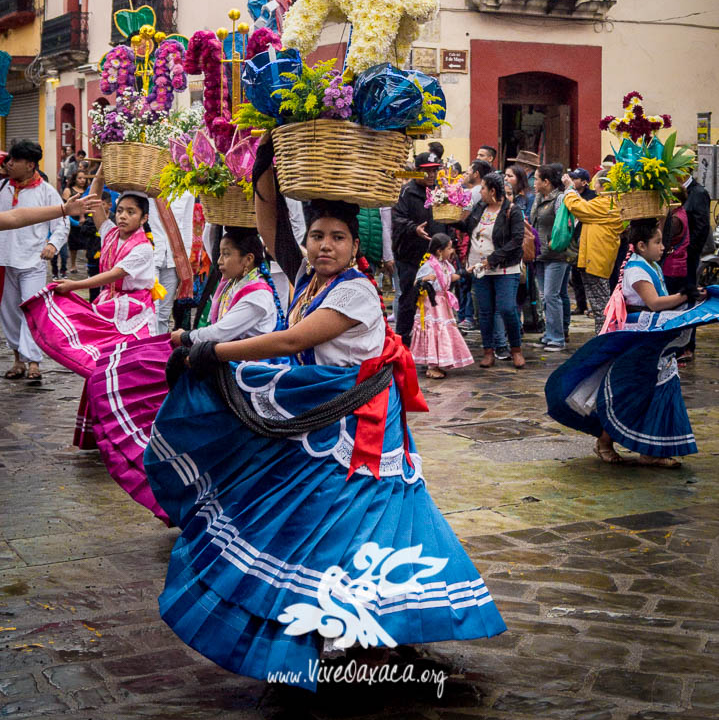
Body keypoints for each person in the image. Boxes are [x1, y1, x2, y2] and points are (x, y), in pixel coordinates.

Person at [142, 148, 506, 689]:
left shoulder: (355, 292)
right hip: (322, 422)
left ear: (356, 247)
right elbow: (270, 231)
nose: (325, 245)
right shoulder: (309, 282)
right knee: (328, 523)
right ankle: (349, 627)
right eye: (318, 237)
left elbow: (291, 340)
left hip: (364, 429)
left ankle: (373, 631)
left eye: (337, 237)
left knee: (362, 524)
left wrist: (213, 354)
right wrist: (265, 165)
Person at [86, 228, 285, 523]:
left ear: (248, 260)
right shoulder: (234, 283)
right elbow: (209, 237)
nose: (218, 261)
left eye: (226, 254)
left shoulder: (256, 296)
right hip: (227, 370)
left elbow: (219, 332)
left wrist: (185, 336)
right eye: (220, 253)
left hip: (251, 379)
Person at [545, 218, 715, 468]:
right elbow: (655, 303)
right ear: (641, 246)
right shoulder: (637, 270)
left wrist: (691, 296)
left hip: (653, 338)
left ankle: (651, 451)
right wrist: (683, 295)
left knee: (657, 392)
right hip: (637, 339)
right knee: (630, 392)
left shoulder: (650, 265)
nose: (662, 247)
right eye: (657, 242)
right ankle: (605, 441)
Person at [22, 169, 158, 431]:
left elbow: (114, 274)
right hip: (109, 306)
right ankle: (106, 428)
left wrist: (74, 285)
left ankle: (132, 427)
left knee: (128, 372)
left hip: (135, 315)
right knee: (102, 369)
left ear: (144, 219)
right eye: (120, 210)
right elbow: (94, 199)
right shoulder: (109, 233)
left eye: (131, 212)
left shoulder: (142, 248)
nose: (122, 216)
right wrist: (103, 169)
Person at [0, 140, 70, 383]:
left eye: (14, 161)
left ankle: (34, 362)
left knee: (32, 312)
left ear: (30, 165)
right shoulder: (2, 187)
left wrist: (52, 245)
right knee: (8, 313)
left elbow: (62, 222)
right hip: (4, 260)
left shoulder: (46, 191)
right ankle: (18, 359)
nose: (9, 164)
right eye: (8, 160)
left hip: (32, 261)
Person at [460, 171, 525, 369]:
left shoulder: (512, 211)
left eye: (483, 188)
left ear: (493, 191)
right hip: (479, 268)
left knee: (507, 308)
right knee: (485, 311)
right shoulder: (480, 208)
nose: (480, 191)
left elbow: (516, 240)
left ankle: (516, 349)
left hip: (505, 268)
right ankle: (488, 351)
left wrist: (492, 259)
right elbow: (467, 227)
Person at [561, 171, 623, 335]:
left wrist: (569, 190)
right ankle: (602, 336)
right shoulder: (606, 203)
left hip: (596, 259)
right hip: (594, 258)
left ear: (602, 187)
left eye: (595, 183)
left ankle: (604, 337)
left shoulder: (606, 204)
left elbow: (578, 207)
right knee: (598, 302)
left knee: (600, 304)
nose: (593, 186)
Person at [391, 152, 439, 346]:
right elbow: (397, 218)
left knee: (435, 299)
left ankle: (431, 341)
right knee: (409, 298)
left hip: (434, 256)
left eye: (435, 171)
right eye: (427, 171)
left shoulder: (440, 192)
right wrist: (414, 228)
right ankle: (403, 340)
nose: (431, 175)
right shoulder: (406, 192)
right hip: (409, 255)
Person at [410, 232, 474, 379]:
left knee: (443, 330)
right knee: (434, 329)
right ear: (439, 251)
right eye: (449, 248)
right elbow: (416, 283)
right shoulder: (429, 265)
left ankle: (439, 362)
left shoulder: (445, 264)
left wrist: (466, 272)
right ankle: (431, 366)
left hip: (443, 303)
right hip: (432, 304)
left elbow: (451, 277)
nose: (452, 251)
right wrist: (426, 279)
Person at [530, 163, 571, 351]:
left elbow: (565, 224)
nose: (534, 182)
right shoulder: (538, 198)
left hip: (556, 254)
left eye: (537, 179)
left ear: (546, 182)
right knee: (549, 295)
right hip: (540, 254)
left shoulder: (560, 199)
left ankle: (557, 338)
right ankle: (551, 332)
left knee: (551, 295)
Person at [148, 193, 195, 335]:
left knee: (164, 313)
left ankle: (158, 349)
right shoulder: (149, 184)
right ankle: (146, 348)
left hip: (174, 258)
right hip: (151, 253)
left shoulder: (187, 191)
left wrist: (184, 259)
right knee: (151, 309)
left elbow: (187, 226)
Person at [681, 173, 711, 363]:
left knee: (688, 297)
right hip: (678, 258)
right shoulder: (681, 193)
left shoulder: (698, 193)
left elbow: (701, 227)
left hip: (688, 258)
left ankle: (688, 345)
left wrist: (690, 253)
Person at [567, 168, 597, 318]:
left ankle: (593, 306)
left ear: (584, 182)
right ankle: (580, 305)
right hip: (574, 238)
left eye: (575, 179)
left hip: (587, 239)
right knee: (575, 275)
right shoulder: (569, 195)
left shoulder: (592, 197)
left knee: (589, 276)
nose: (572, 181)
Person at [62, 166, 90, 273]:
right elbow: (64, 206)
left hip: (87, 219)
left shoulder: (88, 189)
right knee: (73, 244)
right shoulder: (68, 190)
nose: (82, 180)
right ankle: (73, 265)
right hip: (73, 219)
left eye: (84, 178)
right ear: (75, 179)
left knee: (88, 243)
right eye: (80, 178)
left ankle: (88, 263)